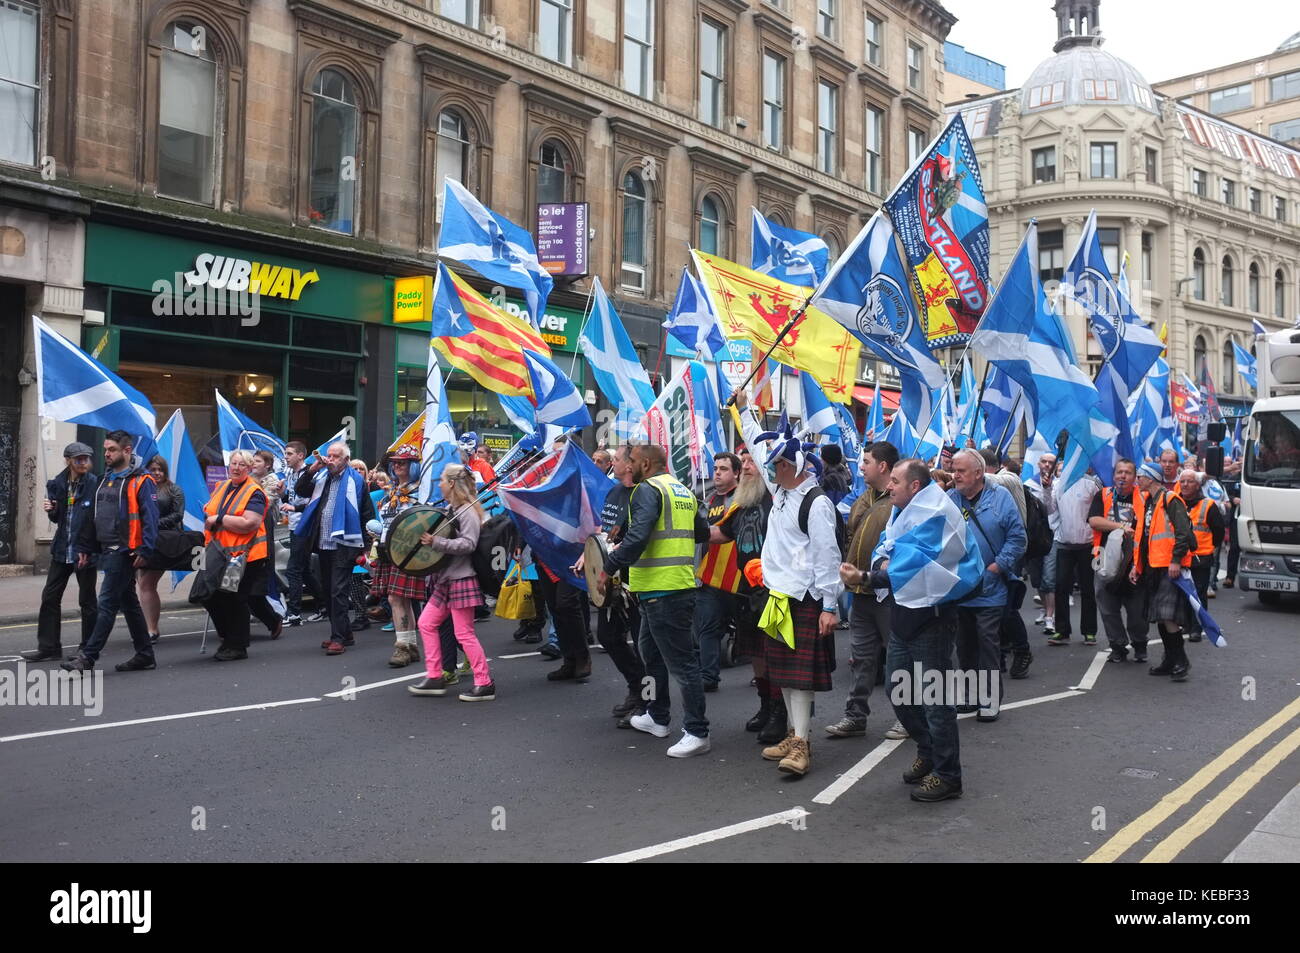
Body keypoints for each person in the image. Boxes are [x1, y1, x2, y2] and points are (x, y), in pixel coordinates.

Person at [845, 458, 976, 803]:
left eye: (896, 482)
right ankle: (929, 750)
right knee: (896, 689)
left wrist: (866, 577)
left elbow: (911, 560)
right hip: (904, 613)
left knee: (936, 699)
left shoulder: (936, 512)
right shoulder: (902, 511)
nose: (889, 487)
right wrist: (880, 565)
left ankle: (948, 775)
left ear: (914, 486)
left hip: (932, 617)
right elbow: (886, 548)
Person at [736, 390, 843, 776]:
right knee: (784, 673)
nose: (771, 469)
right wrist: (743, 408)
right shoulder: (781, 487)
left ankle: (802, 743)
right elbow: (752, 439)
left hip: (805, 598)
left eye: (777, 463)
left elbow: (827, 555)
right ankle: (795, 734)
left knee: (801, 678)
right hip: (777, 595)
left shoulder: (815, 502)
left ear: (794, 465)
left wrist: (829, 605)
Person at [598, 443, 712, 758]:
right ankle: (657, 717)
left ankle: (697, 732)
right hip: (664, 588)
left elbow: (638, 536)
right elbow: (701, 532)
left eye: (631, 460)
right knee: (651, 653)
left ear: (646, 463)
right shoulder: (682, 490)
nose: (627, 465)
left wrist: (608, 567)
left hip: (665, 591)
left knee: (682, 664)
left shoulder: (647, 490)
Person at [62, 430, 159, 674]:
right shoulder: (105, 478)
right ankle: (145, 654)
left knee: (106, 603)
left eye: (112, 449)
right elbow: (92, 514)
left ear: (127, 451)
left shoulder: (142, 480)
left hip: (125, 550)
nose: (106, 453)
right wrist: (86, 547)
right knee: (129, 602)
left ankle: (87, 657)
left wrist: (145, 549)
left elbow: (151, 518)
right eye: (106, 449)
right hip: (106, 549)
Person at [825, 440, 900, 740]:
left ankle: (906, 717)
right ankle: (855, 716)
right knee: (861, 658)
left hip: (888, 594)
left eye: (866, 461)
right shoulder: (862, 499)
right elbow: (850, 536)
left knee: (897, 658)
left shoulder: (900, 498)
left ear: (882, 466)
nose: (861, 466)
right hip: (861, 593)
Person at [948, 449, 1026, 722]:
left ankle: (990, 700)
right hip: (960, 590)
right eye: (953, 470)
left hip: (991, 590)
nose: (955, 475)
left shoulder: (1000, 498)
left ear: (979, 473)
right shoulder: (950, 500)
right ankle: (969, 696)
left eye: (961, 471)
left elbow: (1018, 539)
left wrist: (996, 567)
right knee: (964, 646)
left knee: (988, 646)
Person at [408, 464, 496, 701]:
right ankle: (435, 676)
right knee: (426, 623)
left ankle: (484, 681)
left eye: (442, 480)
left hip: (461, 578)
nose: (439, 484)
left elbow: (469, 544)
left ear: (453, 484)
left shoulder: (466, 511)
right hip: (446, 580)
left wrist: (436, 542)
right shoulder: (452, 508)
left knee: (464, 633)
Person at [576, 444, 649, 726]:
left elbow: (637, 539)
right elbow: (604, 531)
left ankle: (648, 702)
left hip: (636, 582)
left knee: (644, 645)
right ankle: (636, 686)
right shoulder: (614, 491)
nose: (612, 464)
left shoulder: (643, 495)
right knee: (607, 636)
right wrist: (588, 555)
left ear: (630, 465)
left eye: (616, 459)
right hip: (612, 580)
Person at [717, 445, 777, 738]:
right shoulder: (740, 504)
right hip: (745, 589)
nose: (747, 466)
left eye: (752, 460)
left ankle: (780, 711)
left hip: (774, 589)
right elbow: (720, 534)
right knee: (755, 652)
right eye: (744, 461)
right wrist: (691, 523)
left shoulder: (777, 500)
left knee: (775, 650)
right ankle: (765, 706)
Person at [294, 441, 376, 656]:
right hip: (323, 544)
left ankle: (337, 638)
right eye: (329, 455)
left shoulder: (356, 481)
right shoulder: (322, 477)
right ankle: (345, 633)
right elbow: (300, 490)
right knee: (328, 590)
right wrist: (312, 469)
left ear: (346, 460)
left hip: (346, 544)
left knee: (338, 591)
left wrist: (367, 546)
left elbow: (367, 514)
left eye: (336, 456)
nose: (330, 460)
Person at [23, 443, 99, 662]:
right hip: (61, 549)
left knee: (87, 601)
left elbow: (94, 520)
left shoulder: (94, 484)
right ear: (68, 460)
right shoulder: (57, 483)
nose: (84, 462)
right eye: (79, 459)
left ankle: (87, 649)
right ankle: (49, 648)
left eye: (86, 458)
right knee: (49, 597)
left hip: (84, 550)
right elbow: (58, 518)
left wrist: (90, 547)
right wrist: (52, 510)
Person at [199, 450, 272, 661]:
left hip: (244, 555)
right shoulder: (222, 486)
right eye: (234, 463)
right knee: (211, 595)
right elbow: (209, 511)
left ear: (249, 469)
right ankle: (228, 636)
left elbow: (251, 523)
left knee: (235, 598)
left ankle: (237, 645)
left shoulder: (254, 492)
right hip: (219, 552)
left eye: (242, 465)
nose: (236, 467)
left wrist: (219, 519)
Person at [1133, 463, 1196, 681]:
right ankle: (1169, 661)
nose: (1137, 479)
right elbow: (1144, 538)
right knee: (1160, 617)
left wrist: (1176, 561)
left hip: (1169, 565)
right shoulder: (1150, 502)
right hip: (1153, 566)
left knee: (1168, 616)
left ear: (1151, 478)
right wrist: (1137, 566)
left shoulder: (1171, 500)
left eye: (1140, 476)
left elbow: (1183, 533)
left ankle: (1181, 660)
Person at [1086, 459, 1149, 663]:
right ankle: (1118, 646)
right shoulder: (1103, 495)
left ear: (1135, 477)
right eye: (1119, 472)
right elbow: (1094, 521)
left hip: (1133, 562)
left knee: (1136, 610)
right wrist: (1120, 527)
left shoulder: (1144, 498)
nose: (1123, 476)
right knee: (1107, 608)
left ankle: (1140, 644)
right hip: (1103, 559)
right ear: (1113, 476)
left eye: (1128, 473)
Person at [369, 450, 426, 667]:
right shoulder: (393, 489)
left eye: (402, 463)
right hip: (388, 548)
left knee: (396, 598)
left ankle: (403, 647)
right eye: (394, 463)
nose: (396, 467)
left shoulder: (420, 490)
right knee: (400, 599)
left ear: (413, 465)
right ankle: (410, 646)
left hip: (407, 549)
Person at [694, 450, 742, 693]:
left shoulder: (744, 499)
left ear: (736, 472)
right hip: (710, 576)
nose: (718, 473)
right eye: (716, 469)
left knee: (749, 630)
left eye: (724, 469)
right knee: (708, 627)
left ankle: (763, 675)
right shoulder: (708, 501)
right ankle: (708, 676)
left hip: (740, 578)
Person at [134, 454, 186, 646]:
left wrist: (153, 524)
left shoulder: (174, 490)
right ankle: (147, 627)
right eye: (153, 469)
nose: (156, 473)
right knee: (142, 584)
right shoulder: (141, 487)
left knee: (147, 583)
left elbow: (177, 515)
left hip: (164, 542)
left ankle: (151, 630)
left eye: (160, 469)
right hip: (141, 541)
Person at [1045, 465, 1101, 646]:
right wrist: (1046, 489)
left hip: (1087, 545)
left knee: (1088, 590)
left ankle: (1089, 631)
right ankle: (1062, 631)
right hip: (1064, 544)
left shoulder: (1091, 485)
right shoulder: (1058, 484)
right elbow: (1049, 509)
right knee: (1061, 588)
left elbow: (1099, 511)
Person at [1173, 468, 1223, 644]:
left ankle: (1196, 628)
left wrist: (1208, 547)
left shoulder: (1208, 505)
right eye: (1183, 481)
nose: (1185, 484)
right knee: (1183, 593)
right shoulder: (1174, 501)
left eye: (1190, 481)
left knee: (1199, 593)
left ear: (1197, 485)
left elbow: (1218, 532)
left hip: (1200, 557)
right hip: (1179, 557)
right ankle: (1186, 623)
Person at [280, 441, 326, 626]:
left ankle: (294, 614)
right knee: (305, 570)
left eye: (289, 453)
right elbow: (291, 498)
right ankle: (324, 605)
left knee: (294, 569)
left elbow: (314, 502)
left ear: (300, 455)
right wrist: (283, 494)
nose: (286, 457)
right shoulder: (290, 473)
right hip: (294, 525)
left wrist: (294, 507)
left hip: (305, 526)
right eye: (285, 453)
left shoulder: (311, 474)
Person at [246, 450, 285, 640]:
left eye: (258, 461)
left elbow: (265, 504)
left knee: (258, 581)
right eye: (252, 461)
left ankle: (274, 614)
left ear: (267, 465)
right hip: (245, 532)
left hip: (263, 530)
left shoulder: (272, 481)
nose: (254, 464)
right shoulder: (248, 478)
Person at [1024, 452, 1059, 636]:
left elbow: (1051, 509)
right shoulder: (1029, 485)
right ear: (1038, 464)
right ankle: (1045, 609)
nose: (1046, 465)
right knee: (1037, 578)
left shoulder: (1059, 484)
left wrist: (1048, 489)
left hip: (1053, 536)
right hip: (1035, 537)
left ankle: (1050, 618)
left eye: (1050, 462)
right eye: (1044, 461)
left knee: (1048, 578)